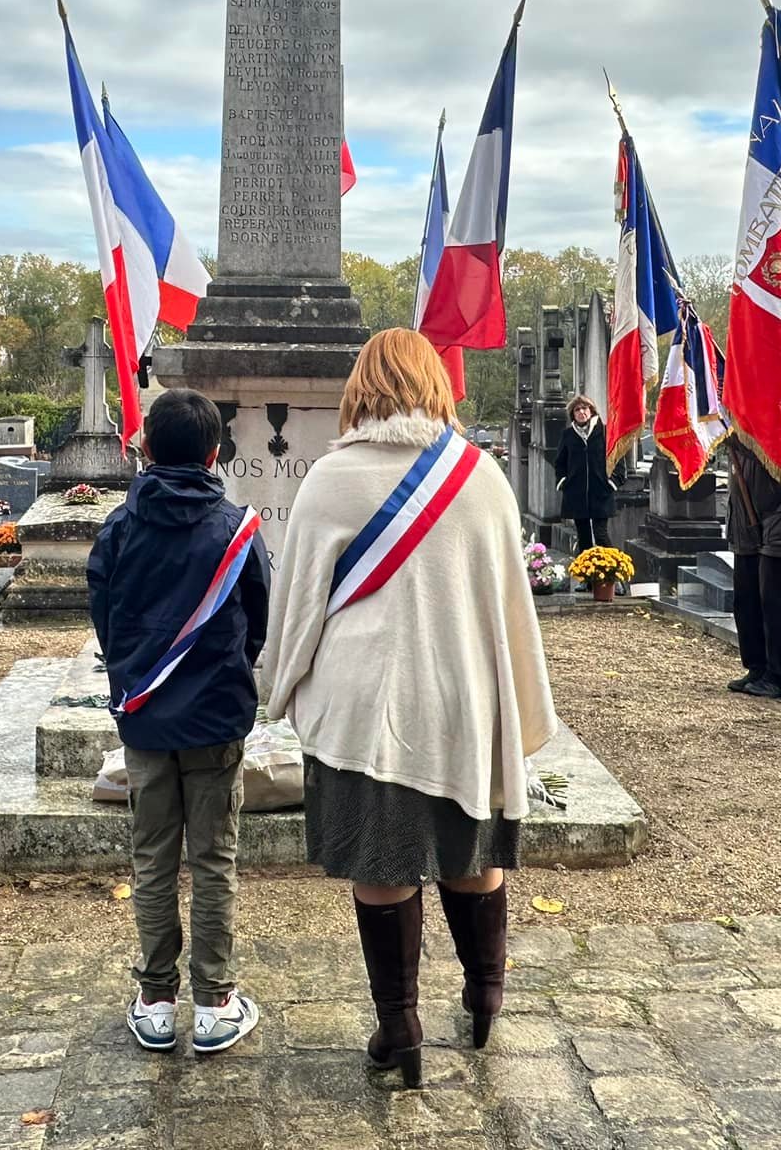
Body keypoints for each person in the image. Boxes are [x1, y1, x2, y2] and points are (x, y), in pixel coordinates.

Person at [261, 330, 557, 1086]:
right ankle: (485, 993)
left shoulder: (331, 478)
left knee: (383, 865)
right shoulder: (483, 476)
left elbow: (297, 605)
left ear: (361, 388)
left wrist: (282, 685)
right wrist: (517, 700)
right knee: (473, 855)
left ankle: (401, 1028)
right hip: (465, 696)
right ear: (435, 384)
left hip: (368, 706)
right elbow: (509, 603)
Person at [88, 388, 272, 1056]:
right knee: (215, 859)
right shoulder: (236, 530)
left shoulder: (118, 528)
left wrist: (136, 676)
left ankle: (158, 999)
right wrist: (223, 673)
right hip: (216, 719)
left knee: (152, 859)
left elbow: (104, 618)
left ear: (146, 450)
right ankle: (217, 1002)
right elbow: (258, 621)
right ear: (215, 453)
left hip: (145, 718)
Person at [724, 396, 781, 700]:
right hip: (745, 517)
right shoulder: (741, 403)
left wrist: (738, 438)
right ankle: (757, 666)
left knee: (773, 599)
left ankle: (780, 675)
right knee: (746, 597)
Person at [553, 395, 617, 549]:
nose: (582, 412)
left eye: (585, 408)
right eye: (577, 409)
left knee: (601, 534)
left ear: (591, 411)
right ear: (573, 414)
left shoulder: (605, 432)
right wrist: (563, 481)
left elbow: (617, 457)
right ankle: (586, 572)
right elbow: (560, 462)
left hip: (601, 491)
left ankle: (612, 570)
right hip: (576, 492)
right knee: (583, 536)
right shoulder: (568, 435)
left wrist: (613, 481)